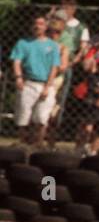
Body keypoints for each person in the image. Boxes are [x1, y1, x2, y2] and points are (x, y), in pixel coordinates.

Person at [9, 14, 63, 147]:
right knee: (23, 115)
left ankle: (38, 143)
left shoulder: (53, 46)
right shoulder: (23, 43)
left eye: (41, 23)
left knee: (42, 117)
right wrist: (18, 78)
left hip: (46, 84)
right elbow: (16, 62)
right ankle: (22, 143)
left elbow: (54, 67)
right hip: (28, 82)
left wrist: (47, 86)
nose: (37, 26)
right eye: (35, 23)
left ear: (46, 27)